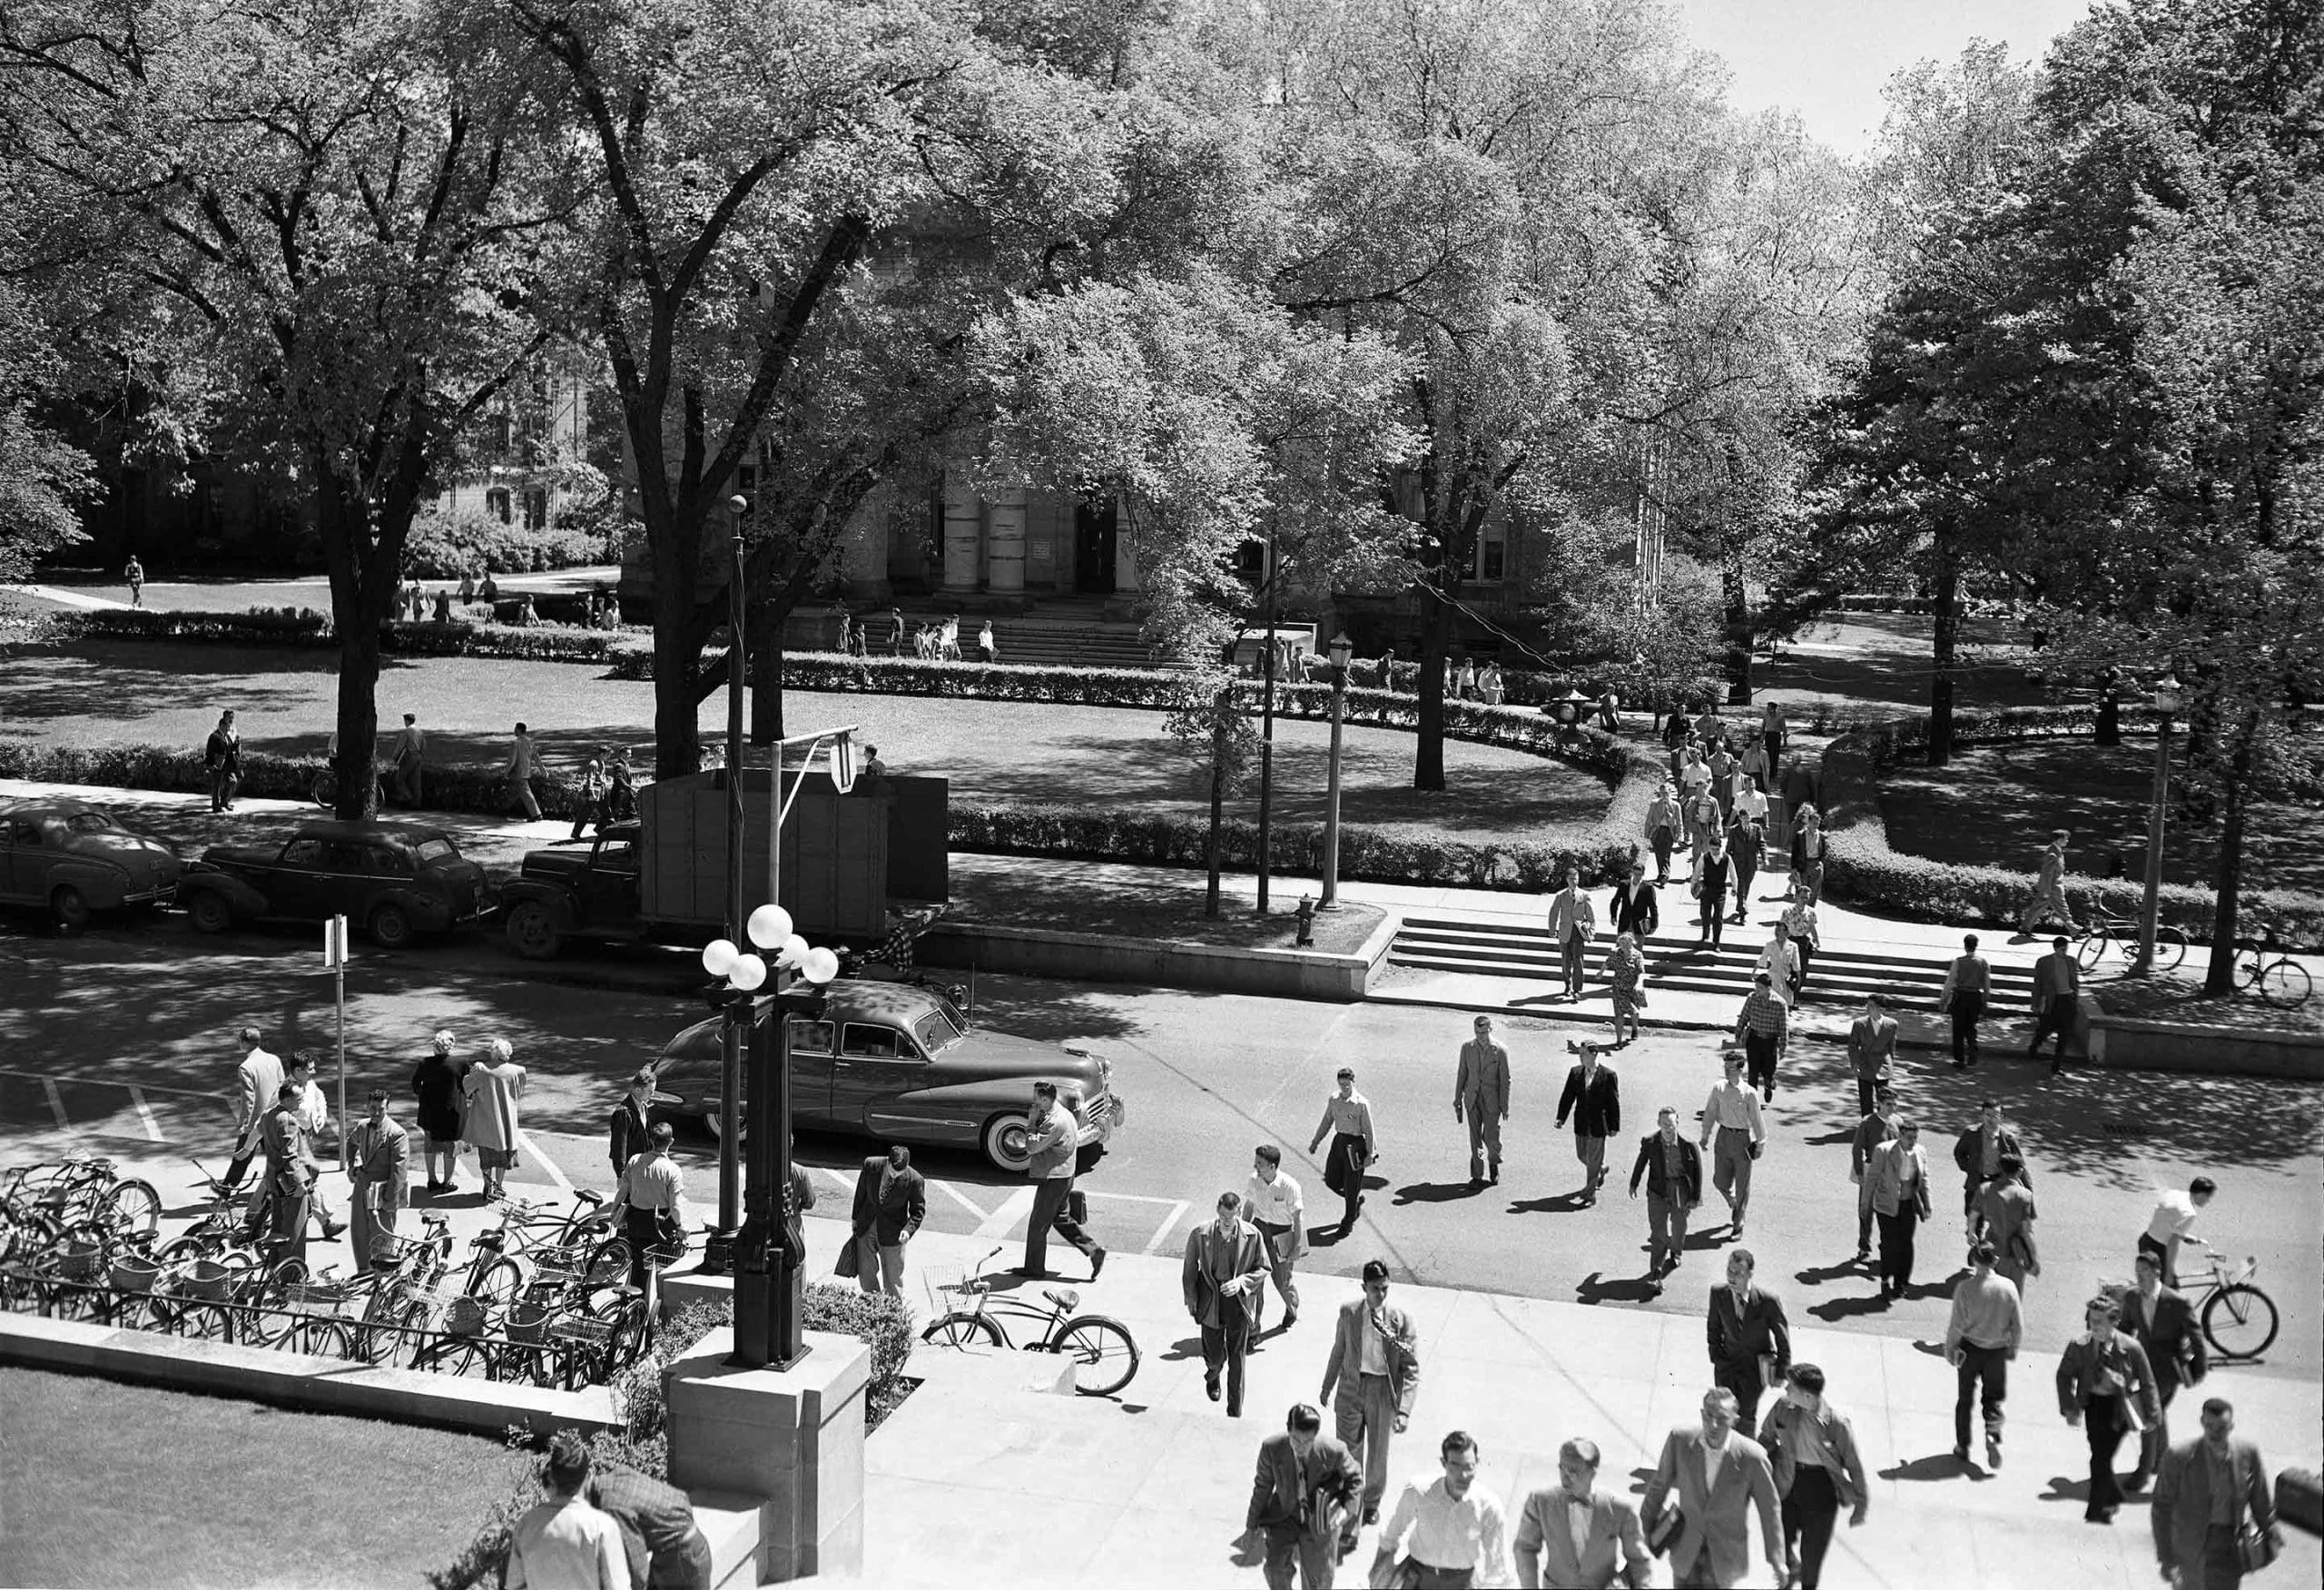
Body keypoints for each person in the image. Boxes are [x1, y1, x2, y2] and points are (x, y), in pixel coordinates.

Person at [1641, 1388, 1783, 1590]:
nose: (1713, 1425)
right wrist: (1642, 1529)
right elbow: (1658, 1486)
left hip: (1724, 1558)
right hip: (1685, 1550)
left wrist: (1777, 1559)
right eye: (1708, 1416)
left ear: (1734, 1420)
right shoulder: (1680, 1440)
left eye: (1722, 1418)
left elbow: (1770, 1509)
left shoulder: (1753, 1457)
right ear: (1701, 1414)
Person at [1321, 1259, 1421, 1536]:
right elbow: (1339, 1350)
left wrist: (1404, 1410)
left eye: (1385, 1289)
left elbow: (1411, 1369)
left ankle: (1372, 1502)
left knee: (1377, 1454)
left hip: (1382, 1393)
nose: (1381, 1294)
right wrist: (1327, 1386)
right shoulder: (1349, 1313)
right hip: (1352, 1389)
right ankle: (1351, 1501)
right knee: (1349, 1452)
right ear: (1364, 1287)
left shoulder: (1401, 1321)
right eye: (1375, 1289)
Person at [1757, 1364, 1868, 1590]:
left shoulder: (1837, 1423)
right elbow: (1766, 1438)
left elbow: (1854, 1465)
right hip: (1787, 1482)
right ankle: (1790, 1569)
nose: (1786, 1389)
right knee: (1780, 1543)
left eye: (1791, 1387)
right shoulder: (1782, 1407)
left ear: (1806, 1396)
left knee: (1812, 1554)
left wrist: (1861, 1504)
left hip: (1821, 1490)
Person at [2152, 1398, 2281, 1590]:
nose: (2215, 1432)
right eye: (2209, 1425)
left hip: (2229, 1546)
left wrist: (2271, 1534)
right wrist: (2166, 1557)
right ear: (2202, 1422)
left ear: (2232, 1426)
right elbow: (2161, 1508)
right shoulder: (2179, 1456)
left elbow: (2261, 1499)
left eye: (2222, 1426)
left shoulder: (2247, 1453)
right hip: (2191, 1548)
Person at [2057, 1291, 2162, 1525]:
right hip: (2093, 1405)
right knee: (2099, 1454)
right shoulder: (2079, 1345)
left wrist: (2153, 1415)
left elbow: (2147, 1382)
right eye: (2091, 1320)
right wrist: (2070, 1406)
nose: (2093, 1326)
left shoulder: (2131, 1347)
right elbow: (2064, 1375)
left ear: (2114, 1322)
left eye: (2099, 1321)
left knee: (2100, 1459)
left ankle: (2096, 1513)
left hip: (2119, 1408)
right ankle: (2112, 1495)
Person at [1240, 1402, 1363, 1590]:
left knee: (1318, 1581)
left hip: (1321, 1519)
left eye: (1307, 1442)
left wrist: (1346, 1511)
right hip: (1285, 1516)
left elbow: (1355, 1478)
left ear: (1315, 1436)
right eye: (1295, 1440)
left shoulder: (1334, 1451)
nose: (1300, 1447)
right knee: (1274, 1569)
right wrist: (1250, 1527)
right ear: (1288, 1431)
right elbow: (1262, 1487)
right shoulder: (1271, 1448)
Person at [1372, 1431, 1512, 1590]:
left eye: (1469, 1467)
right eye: (1455, 1466)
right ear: (1443, 1463)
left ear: (1477, 1462)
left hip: (1462, 1583)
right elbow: (1392, 1533)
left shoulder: (1489, 1506)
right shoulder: (1418, 1491)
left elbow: (1498, 1568)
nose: (1463, 1475)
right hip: (1418, 1579)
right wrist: (1378, 1571)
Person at [2121, 1248, 2208, 1493]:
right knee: (2157, 1414)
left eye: (2145, 1272)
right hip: (2145, 1366)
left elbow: (2196, 1337)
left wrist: (2199, 1370)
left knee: (2149, 1415)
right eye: (2137, 1272)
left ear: (2157, 1272)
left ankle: (2143, 1471)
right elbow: (2126, 1329)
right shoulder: (2132, 1298)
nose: (2140, 1277)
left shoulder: (2176, 1302)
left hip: (2169, 1369)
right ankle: (2162, 1461)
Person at [1512, 1436, 1649, 1590]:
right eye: (1561, 1467)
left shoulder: (1620, 1508)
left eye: (1573, 1471)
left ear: (1593, 1473)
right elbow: (1524, 1549)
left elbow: (1639, 1561)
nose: (1565, 1476)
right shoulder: (1540, 1501)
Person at [506, 1431, 630, 1590]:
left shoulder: (527, 1524)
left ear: (551, 1477)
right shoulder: (602, 1527)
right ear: (588, 1476)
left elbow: (514, 1586)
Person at [1182, 1190, 1269, 1417]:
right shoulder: (1200, 1234)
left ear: (1239, 1212)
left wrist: (1242, 1282)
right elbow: (1190, 1269)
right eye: (1223, 1217)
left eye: (1231, 1217)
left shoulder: (1253, 1234)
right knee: (1214, 1355)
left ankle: (1234, 1410)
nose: (1227, 1221)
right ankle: (1213, 1375)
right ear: (1217, 1211)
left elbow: (1263, 1268)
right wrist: (1190, 1298)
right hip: (1210, 1300)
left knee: (1238, 1359)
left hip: (1238, 1302)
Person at [1945, 1240, 2023, 1470]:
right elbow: (2017, 1324)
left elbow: (1956, 1326)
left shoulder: (1965, 1288)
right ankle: (1992, 1431)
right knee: (1993, 1397)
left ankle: (1962, 1445)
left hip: (1970, 1350)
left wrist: (1950, 1350)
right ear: (1995, 1261)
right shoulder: (2008, 1287)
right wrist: (2013, 1348)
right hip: (1996, 1351)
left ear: (1974, 1261)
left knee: (1964, 1400)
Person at [1020, 1081, 1104, 1280]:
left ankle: (1034, 1269)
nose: (1034, 1102)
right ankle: (1093, 1251)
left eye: (1036, 1099)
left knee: (1037, 1225)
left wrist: (1031, 1122)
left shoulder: (1054, 1122)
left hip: (1054, 1179)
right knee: (1061, 1219)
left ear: (1045, 1099)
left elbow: (1032, 1147)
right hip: (1065, 1175)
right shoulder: (1063, 1113)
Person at [586, 1461, 714, 1590]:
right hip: (689, 1548)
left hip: (681, 1559)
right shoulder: (619, 1475)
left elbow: (637, 1570)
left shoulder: (610, 1506)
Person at [1707, 1248, 1791, 1432]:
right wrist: (1716, 1357)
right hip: (1726, 1367)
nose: (1732, 1277)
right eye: (1729, 1270)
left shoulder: (1768, 1301)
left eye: (1738, 1272)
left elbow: (1782, 1338)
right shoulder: (1718, 1293)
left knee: (1745, 1414)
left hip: (1754, 1371)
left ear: (1750, 1274)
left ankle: (1745, 1453)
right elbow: (1713, 1328)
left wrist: (1781, 1372)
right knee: (1723, 1412)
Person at [1630, 1106, 1703, 1289]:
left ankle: (1676, 1251)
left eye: (1671, 1124)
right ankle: (1656, 1271)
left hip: (1680, 1189)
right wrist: (1634, 1183)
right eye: (1664, 1124)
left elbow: (1697, 1171)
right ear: (1658, 1123)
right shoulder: (1650, 1142)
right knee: (1658, 1233)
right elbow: (1641, 1163)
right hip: (1657, 1191)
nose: (1668, 1128)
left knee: (1679, 1225)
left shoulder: (1689, 1144)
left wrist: (1696, 1196)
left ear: (1677, 1123)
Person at [606, 1122, 686, 1288]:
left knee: (639, 1268)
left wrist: (614, 1211)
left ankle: (634, 1306)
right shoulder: (673, 1170)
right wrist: (680, 1227)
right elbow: (675, 1207)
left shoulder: (635, 1161)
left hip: (637, 1221)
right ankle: (657, 1307)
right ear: (671, 1141)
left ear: (651, 1140)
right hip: (661, 1226)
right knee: (663, 1270)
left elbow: (623, 1191)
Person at [1699, 1050, 1767, 1233]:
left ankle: (1738, 1223)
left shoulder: (1749, 1093)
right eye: (1726, 1067)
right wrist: (1705, 1135)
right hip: (1723, 1137)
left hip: (1742, 1140)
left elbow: (1757, 1120)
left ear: (1740, 1069)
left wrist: (1760, 1143)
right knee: (1720, 1181)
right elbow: (1710, 1112)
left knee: (1742, 1185)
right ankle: (1733, 1202)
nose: (1727, 1071)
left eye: (1731, 1068)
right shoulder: (1718, 1088)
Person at [847, 1143, 926, 1299]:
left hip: (893, 1232)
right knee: (865, 1271)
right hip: (867, 1224)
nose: (895, 1175)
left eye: (900, 1173)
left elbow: (918, 1212)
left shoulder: (915, 1180)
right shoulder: (871, 1165)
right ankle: (872, 1306)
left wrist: (908, 1230)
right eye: (892, 1171)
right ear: (887, 1162)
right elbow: (860, 1193)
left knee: (892, 1279)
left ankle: (893, 1314)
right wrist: (855, 1218)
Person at [1866, 1115, 1931, 1302]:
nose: (1913, 1142)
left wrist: (1928, 1204)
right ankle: (1886, 1281)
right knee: (1889, 1245)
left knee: (1906, 1244)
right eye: (1910, 1137)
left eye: (1916, 1138)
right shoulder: (1883, 1151)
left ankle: (1901, 1283)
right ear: (1900, 1136)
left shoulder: (1920, 1151)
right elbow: (1872, 1178)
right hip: (1886, 1204)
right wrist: (1866, 1204)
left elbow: (1924, 1179)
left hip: (1908, 1204)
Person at [1241, 1144, 1305, 1332]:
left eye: (1260, 1164)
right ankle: (1254, 1326)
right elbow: (1248, 1207)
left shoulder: (1289, 1186)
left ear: (1273, 1166)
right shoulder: (1254, 1180)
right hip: (1259, 1230)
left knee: (1282, 1281)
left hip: (1282, 1234)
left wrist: (1296, 1247)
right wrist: (1242, 1233)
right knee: (1255, 1280)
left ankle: (1291, 1308)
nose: (1255, 1166)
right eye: (1256, 1162)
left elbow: (1297, 1219)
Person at [1307, 1067, 1377, 1237]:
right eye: (1342, 1084)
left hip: (1355, 1145)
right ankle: (1354, 1203)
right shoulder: (1334, 1099)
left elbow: (1369, 1131)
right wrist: (1315, 1142)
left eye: (1348, 1084)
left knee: (1351, 1187)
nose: (1345, 1088)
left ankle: (1347, 1223)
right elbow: (1327, 1121)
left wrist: (1370, 1154)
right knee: (1331, 1180)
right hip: (1339, 1142)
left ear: (1353, 1082)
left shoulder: (1361, 1104)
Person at [346, 1089, 409, 1273]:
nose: (376, 1113)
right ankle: (363, 1270)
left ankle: (382, 1275)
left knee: (382, 1235)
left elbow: (399, 1170)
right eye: (373, 1108)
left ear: (387, 1108)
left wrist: (390, 1200)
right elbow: (351, 1144)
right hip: (362, 1187)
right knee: (359, 1230)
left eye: (381, 1109)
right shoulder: (362, 1126)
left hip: (383, 1191)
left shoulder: (397, 1133)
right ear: (367, 1106)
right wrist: (352, 1167)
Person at [1554, 1040, 1620, 1204]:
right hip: (1581, 1122)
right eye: (1579, 1054)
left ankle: (1590, 1193)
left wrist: (1614, 1127)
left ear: (1594, 1054)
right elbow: (1568, 1096)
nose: (1580, 1057)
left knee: (1593, 1161)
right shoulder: (1575, 1073)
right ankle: (1601, 1168)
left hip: (1599, 1124)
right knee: (1582, 1155)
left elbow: (1614, 1103)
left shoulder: (1608, 1075)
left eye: (1583, 1054)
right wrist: (1561, 1117)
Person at [461, 1036, 527, 1200]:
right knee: (503, 1156)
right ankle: (499, 1185)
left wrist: (475, 1069)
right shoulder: (518, 1071)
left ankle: (487, 1185)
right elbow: (519, 1092)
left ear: (493, 1053)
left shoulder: (482, 1071)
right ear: (508, 1054)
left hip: (487, 1121)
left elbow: (465, 1087)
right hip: (507, 1120)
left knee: (487, 1157)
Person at [1953, 1096, 2030, 1234]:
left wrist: (2028, 1189)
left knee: (1999, 1223)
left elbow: (2020, 1164)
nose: (1991, 1119)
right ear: (1982, 1115)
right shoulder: (1971, 1133)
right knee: (1974, 1221)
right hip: (1976, 1181)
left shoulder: (2008, 1138)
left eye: (1995, 1115)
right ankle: (1977, 1252)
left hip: (1999, 1182)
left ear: (2001, 1117)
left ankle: (1993, 1250)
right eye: (1988, 1115)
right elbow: (1959, 1153)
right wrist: (1969, 1168)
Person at [221, 1026, 284, 1192]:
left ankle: (226, 1188)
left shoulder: (246, 1067)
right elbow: (282, 1086)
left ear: (243, 1043)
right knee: (275, 1157)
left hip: (257, 1119)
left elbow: (249, 1100)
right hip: (275, 1115)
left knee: (243, 1153)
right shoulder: (274, 1059)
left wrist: (246, 1124)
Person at [1454, 1014, 1512, 1186]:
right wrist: (1457, 1097)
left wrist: (1505, 1106)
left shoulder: (1500, 1050)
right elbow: (1462, 1073)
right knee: (1475, 1138)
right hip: (1472, 1099)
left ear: (1490, 1030)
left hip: (1491, 1100)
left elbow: (1505, 1080)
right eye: (1477, 1033)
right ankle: (1477, 1175)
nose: (1481, 1037)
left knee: (1491, 1136)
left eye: (1484, 1032)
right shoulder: (1467, 1048)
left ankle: (1494, 1163)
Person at [410, 1030, 468, 1196]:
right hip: (453, 1112)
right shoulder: (461, 1063)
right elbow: (468, 1084)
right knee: (451, 1147)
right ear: (451, 1045)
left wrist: (424, 1095)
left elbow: (415, 1084)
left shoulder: (425, 1063)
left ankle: (432, 1179)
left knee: (430, 1145)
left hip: (430, 1111)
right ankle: (447, 1181)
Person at [1847, 1086, 1898, 1264]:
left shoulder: (1898, 1122)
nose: (1893, 1108)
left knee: (1890, 1212)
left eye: (1895, 1104)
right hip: (1871, 1171)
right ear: (1880, 1104)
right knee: (1866, 1211)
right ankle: (1864, 1248)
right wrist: (1860, 1174)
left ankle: (1887, 1248)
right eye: (1889, 1104)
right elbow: (1856, 1150)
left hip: (1891, 1173)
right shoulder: (1867, 1122)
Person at [1980, 1153, 2040, 1296]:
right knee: (2013, 1298)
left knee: (1992, 1297)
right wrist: (2033, 1260)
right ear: (2019, 1171)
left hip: (1991, 1251)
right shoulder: (2025, 1195)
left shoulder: (1987, 1190)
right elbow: (2026, 1232)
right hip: (2015, 1256)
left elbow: (1983, 1216)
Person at [2142, 1177, 2217, 1289]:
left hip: (2146, 1240)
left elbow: (2169, 1221)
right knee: (2171, 1290)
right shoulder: (2190, 1213)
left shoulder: (2174, 1194)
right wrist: (2169, 1271)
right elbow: (2172, 1243)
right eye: (2208, 1196)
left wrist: (2184, 1236)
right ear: (2200, 1194)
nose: (2208, 1201)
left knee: (2156, 1289)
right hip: (2158, 1249)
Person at [1732, 970, 1789, 1105]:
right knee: (1753, 1071)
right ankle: (1752, 1100)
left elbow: (1784, 1027)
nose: (1757, 990)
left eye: (1760, 988)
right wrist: (1738, 1032)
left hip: (1770, 1042)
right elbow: (1744, 1016)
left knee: (1768, 1071)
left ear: (1769, 988)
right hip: (1754, 1039)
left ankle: (1769, 1085)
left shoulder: (1779, 1004)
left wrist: (1783, 1048)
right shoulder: (1752, 998)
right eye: (1756, 987)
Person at [1939, 933, 1993, 1070]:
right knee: (1971, 1026)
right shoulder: (1983, 962)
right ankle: (1973, 1053)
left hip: (1960, 996)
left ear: (1965, 945)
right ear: (1976, 946)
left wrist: (1943, 999)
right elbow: (1987, 983)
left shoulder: (1958, 961)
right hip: (1975, 996)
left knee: (1958, 1028)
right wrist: (1985, 999)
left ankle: (1959, 1058)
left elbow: (1950, 981)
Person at [2029, 934, 2082, 1069]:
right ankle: (2034, 1046)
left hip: (2067, 999)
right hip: (2052, 1000)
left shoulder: (2071, 961)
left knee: (2064, 1033)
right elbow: (2038, 984)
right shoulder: (2044, 962)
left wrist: (2075, 997)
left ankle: (2056, 1065)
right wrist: (2035, 1003)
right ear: (2056, 948)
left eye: (2066, 949)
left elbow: (2075, 981)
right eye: (2062, 950)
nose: (2065, 952)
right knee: (2045, 1028)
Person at [1544, 870, 1595, 1002]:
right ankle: (1568, 984)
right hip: (1564, 932)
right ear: (1566, 879)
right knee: (1566, 961)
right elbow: (1554, 912)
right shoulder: (1561, 895)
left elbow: (1590, 916)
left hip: (1578, 932)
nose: (1574, 881)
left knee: (1578, 961)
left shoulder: (1584, 895)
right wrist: (1552, 929)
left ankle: (1577, 990)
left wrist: (1591, 931)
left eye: (1576, 878)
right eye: (1571, 878)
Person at [1845, 993, 1897, 1119]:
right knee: (1865, 1099)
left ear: (1881, 1008)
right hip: (1865, 1064)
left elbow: (1892, 1047)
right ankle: (1866, 1124)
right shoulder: (1859, 1024)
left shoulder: (1892, 1024)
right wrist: (1855, 1063)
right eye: (1867, 1005)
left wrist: (1891, 1065)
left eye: (1871, 1006)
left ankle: (1882, 1122)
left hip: (1882, 1066)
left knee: (1883, 1098)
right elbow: (1853, 1045)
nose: (1867, 1008)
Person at [2020, 828, 2073, 934]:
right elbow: (2047, 874)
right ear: (2059, 840)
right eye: (2066, 839)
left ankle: (2025, 928)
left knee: (2037, 908)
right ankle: (2075, 931)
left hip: (2051, 888)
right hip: (2053, 888)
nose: (2067, 841)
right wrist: (2046, 891)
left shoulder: (2057, 851)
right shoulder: (2052, 854)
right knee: (2063, 910)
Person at [610, 1068, 654, 1185]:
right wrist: (621, 1174)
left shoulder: (643, 1106)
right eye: (650, 1091)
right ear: (638, 1089)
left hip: (643, 1167)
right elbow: (619, 1146)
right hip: (630, 1171)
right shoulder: (623, 1113)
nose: (652, 1094)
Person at [1691, 833, 1735, 949]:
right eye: (1712, 849)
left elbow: (1733, 874)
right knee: (1705, 914)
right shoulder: (1704, 857)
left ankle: (1716, 942)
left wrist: (1735, 888)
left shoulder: (1727, 858)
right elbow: (1697, 873)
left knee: (1718, 917)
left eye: (1716, 849)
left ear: (1720, 847)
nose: (1714, 851)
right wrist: (1693, 887)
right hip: (1707, 891)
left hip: (1720, 891)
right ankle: (1705, 935)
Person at [1606, 933, 1647, 1047]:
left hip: (1632, 989)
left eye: (1626, 943)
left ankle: (1634, 1029)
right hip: (1618, 988)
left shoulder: (1638, 955)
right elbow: (1607, 962)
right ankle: (1619, 1041)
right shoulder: (1615, 953)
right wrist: (1601, 972)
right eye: (1621, 943)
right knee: (1619, 1015)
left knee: (1634, 1013)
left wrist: (1639, 984)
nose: (1623, 945)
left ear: (1632, 943)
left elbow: (1641, 972)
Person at [1726, 814, 1765, 925]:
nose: (1747, 820)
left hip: (1751, 863)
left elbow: (1761, 844)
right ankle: (1743, 911)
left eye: (1749, 818)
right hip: (1738, 863)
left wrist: (1764, 858)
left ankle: (1742, 903)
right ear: (1740, 818)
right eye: (1745, 818)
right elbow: (1729, 847)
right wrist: (1726, 862)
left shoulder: (1757, 829)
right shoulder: (1734, 830)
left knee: (1747, 884)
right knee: (1740, 885)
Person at [1608, 861, 1658, 947]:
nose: (1637, 877)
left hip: (1639, 924)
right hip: (1625, 922)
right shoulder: (1624, 885)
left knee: (1637, 950)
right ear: (1632, 873)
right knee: (1620, 949)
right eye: (1635, 874)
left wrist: (1654, 924)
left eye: (1639, 874)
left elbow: (1653, 907)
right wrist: (1613, 916)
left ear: (1643, 874)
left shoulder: (1648, 888)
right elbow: (1615, 901)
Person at [1643, 784, 1682, 885]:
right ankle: (1661, 875)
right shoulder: (1655, 803)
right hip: (1657, 830)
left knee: (1666, 853)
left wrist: (1679, 835)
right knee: (1658, 854)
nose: (1664, 795)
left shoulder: (1675, 805)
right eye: (1662, 793)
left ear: (1669, 793)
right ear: (1660, 793)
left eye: (1666, 793)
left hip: (1669, 831)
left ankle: (1665, 875)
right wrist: (1646, 834)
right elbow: (1649, 819)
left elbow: (1679, 822)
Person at [204, 708, 242, 812]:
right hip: (217, 765)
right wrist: (211, 765)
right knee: (216, 786)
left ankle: (224, 801)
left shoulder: (226, 736)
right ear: (222, 725)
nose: (228, 728)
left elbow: (229, 749)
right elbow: (210, 752)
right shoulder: (214, 736)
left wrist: (236, 745)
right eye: (227, 726)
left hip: (227, 765)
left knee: (232, 781)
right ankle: (216, 806)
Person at [505, 722, 542, 820]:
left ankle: (536, 815)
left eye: (515, 728)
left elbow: (512, 760)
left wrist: (506, 772)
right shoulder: (530, 742)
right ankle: (505, 810)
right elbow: (537, 758)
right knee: (515, 792)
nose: (514, 730)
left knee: (525, 792)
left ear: (519, 730)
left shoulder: (516, 743)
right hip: (526, 771)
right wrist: (543, 771)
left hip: (518, 772)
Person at [389, 712, 425, 806]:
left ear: (407, 721)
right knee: (416, 781)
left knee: (399, 779)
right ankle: (417, 803)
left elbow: (400, 746)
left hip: (410, 756)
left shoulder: (406, 731)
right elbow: (424, 746)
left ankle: (407, 796)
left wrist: (394, 758)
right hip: (418, 757)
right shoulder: (420, 731)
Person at [573, 756, 609, 839]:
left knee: (606, 813)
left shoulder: (601, 763)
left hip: (600, 792)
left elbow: (600, 776)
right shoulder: (593, 764)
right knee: (585, 814)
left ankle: (599, 829)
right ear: (603, 753)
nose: (609, 756)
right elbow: (590, 779)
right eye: (608, 754)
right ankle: (576, 833)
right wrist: (592, 793)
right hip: (594, 792)